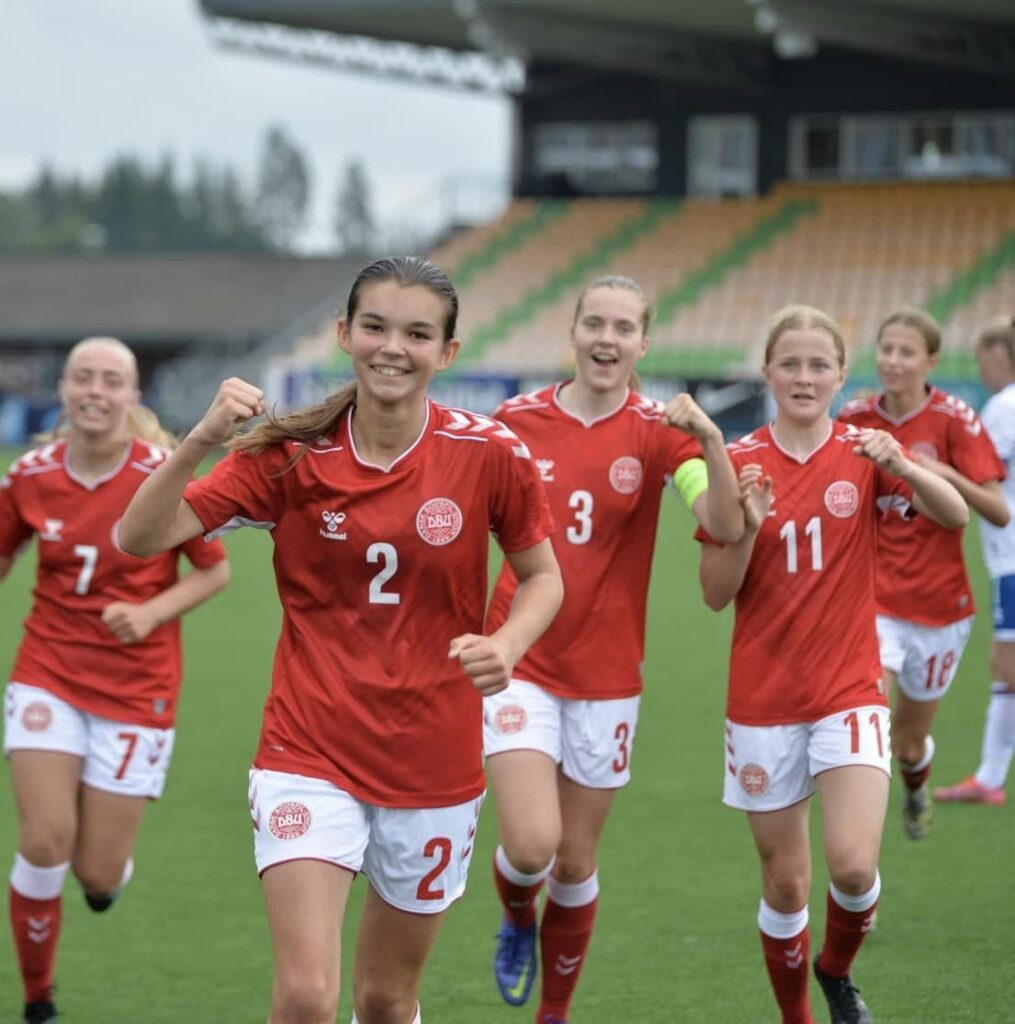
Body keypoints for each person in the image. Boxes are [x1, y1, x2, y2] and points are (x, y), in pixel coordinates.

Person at [117, 256, 564, 1024]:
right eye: (376, 327)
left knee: (387, 1002)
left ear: (447, 352)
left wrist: (510, 645)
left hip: (434, 761)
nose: (394, 347)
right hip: (308, 751)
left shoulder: (491, 454)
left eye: (418, 333)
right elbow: (139, 535)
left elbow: (544, 577)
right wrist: (199, 440)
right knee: (304, 996)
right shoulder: (286, 454)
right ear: (343, 335)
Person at [482, 275, 744, 1024]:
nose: (606, 339)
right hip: (520, 657)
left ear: (642, 344)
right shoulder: (514, 421)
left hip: (605, 676)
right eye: (593, 323)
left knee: (574, 861)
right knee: (531, 848)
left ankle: (553, 1013)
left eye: (622, 328)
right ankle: (516, 917)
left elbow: (721, 523)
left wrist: (712, 442)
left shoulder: (662, 433)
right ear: (571, 333)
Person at [697, 305, 967, 1024]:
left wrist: (903, 463)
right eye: (790, 363)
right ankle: (797, 1017)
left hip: (848, 691)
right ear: (767, 372)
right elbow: (713, 595)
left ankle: (835, 968)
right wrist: (747, 528)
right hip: (760, 701)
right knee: (786, 888)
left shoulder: (862, 452)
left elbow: (954, 517)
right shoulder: (735, 461)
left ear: (840, 375)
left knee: (852, 869)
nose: (804, 377)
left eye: (819, 365)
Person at [1, 337, 230, 1024]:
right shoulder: (29, 475)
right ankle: (39, 1001)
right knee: (44, 839)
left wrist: (150, 610)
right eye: (82, 379)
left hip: (138, 689)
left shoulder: (164, 474)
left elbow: (215, 570)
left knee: (97, 873)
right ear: (64, 391)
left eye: (111, 381)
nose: (95, 392)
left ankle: (104, 880)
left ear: (133, 397)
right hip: (48, 673)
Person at [838, 308, 1007, 838]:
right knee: (870, 720)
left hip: (939, 608)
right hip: (872, 599)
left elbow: (999, 510)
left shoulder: (955, 419)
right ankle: (857, 853)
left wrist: (936, 471)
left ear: (930, 360)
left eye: (906, 351)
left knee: (910, 743)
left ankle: (916, 786)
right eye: (886, 348)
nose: (893, 361)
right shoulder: (855, 420)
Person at [935, 315, 1015, 806]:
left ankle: (989, 777)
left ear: (1001, 356)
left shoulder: (1005, 405)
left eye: (983, 357)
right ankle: (989, 776)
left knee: (1007, 664)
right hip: (1006, 558)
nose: (980, 368)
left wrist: (939, 469)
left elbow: (979, 471)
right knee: (1003, 665)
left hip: (1013, 558)